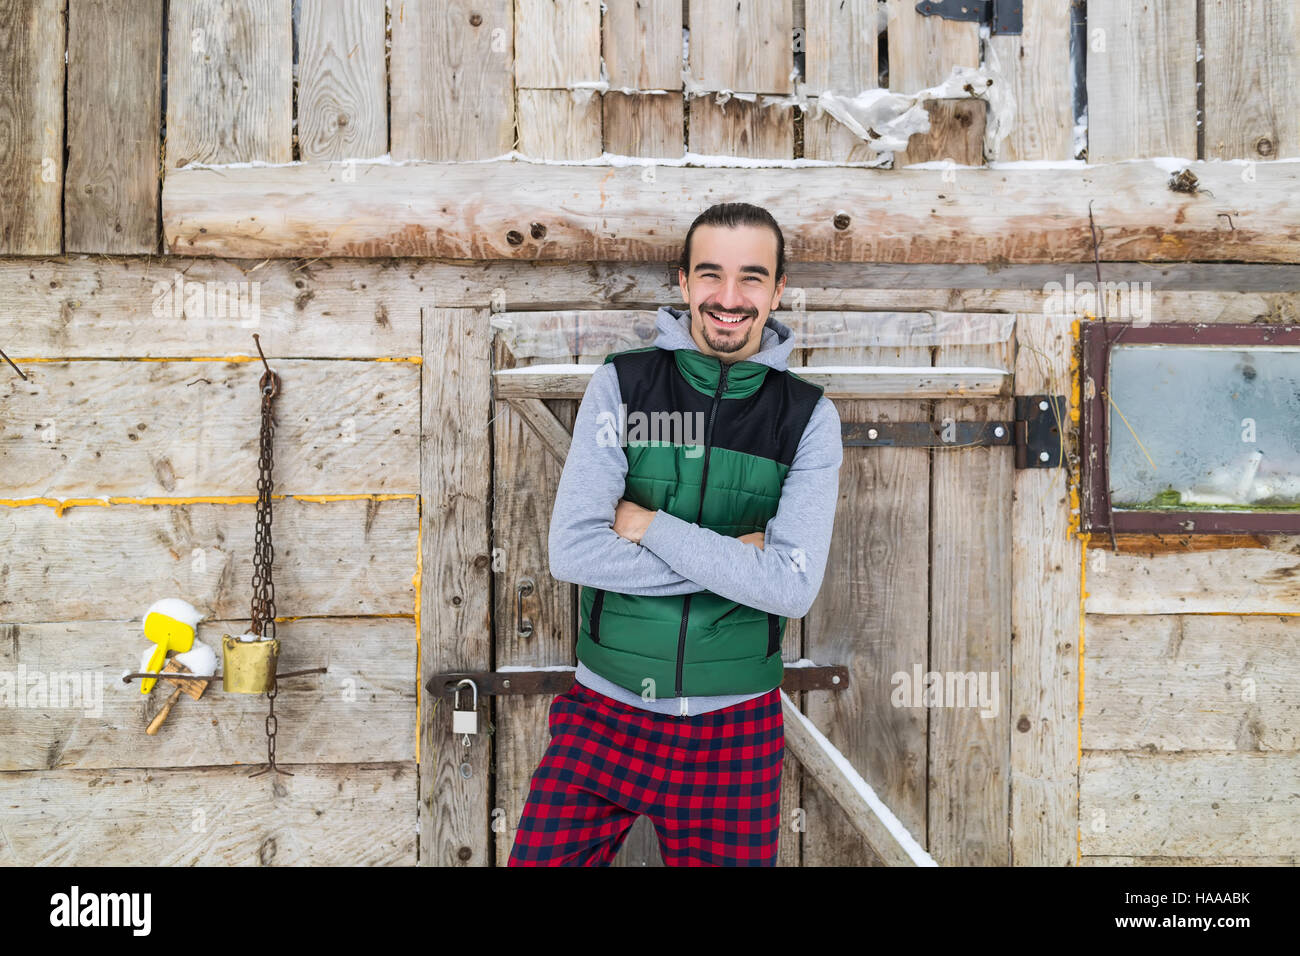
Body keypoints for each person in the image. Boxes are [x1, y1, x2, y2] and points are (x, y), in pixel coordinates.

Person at [507, 202, 843, 866]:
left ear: (778, 291)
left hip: (734, 732)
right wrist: (738, 564)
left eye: (752, 278)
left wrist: (647, 525)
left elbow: (793, 588)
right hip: (605, 712)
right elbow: (573, 549)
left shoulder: (807, 416)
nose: (728, 297)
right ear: (684, 281)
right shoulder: (624, 385)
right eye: (710, 274)